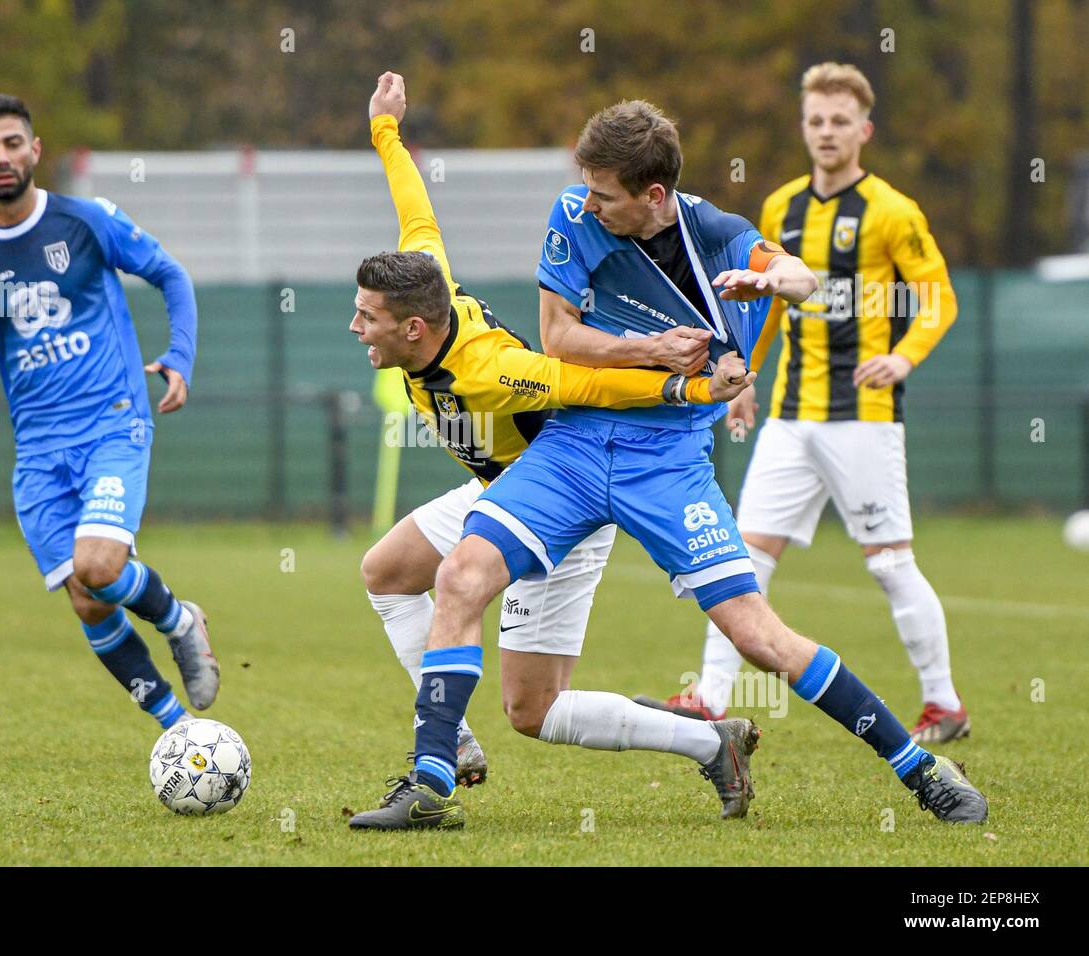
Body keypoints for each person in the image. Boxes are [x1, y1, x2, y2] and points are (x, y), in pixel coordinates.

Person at [351, 96, 988, 830]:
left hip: (671, 463)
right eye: (584, 189)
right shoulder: (575, 216)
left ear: (653, 195)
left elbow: (803, 279)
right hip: (576, 446)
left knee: (759, 637)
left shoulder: (718, 235)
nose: (585, 207)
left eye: (603, 195)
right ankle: (432, 782)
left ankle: (921, 769)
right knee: (461, 574)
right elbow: (560, 344)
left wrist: (775, 281)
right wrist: (664, 364)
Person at [350, 73, 761, 825]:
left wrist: (689, 389)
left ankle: (710, 744)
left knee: (534, 710)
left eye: (366, 317)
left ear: (412, 329)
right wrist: (385, 129)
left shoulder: (496, 371)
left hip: (558, 499)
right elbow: (416, 206)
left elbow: (586, 386)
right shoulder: (424, 280)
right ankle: (448, 746)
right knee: (385, 571)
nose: (356, 328)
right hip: (498, 491)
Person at [636, 63, 968, 745]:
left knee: (888, 564)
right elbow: (770, 309)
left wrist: (904, 356)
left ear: (864, 130)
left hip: (863, 416)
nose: (825, 132)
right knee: (740, 559)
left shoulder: (892, 212)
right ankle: (709, 698)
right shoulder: (783, 206)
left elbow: (938, 297)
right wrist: (748, 376)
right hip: (789, 417)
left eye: (839, 121)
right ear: (803, 126)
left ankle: (944, 705)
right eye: (815, 120)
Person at [0, 94, 218, 730]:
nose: (2, 156)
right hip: (39, 453)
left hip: (112, 423)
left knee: (99, 567)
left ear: (35, 149)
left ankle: (181, 620)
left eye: (13, 142)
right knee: (87, 600)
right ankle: (180, 733)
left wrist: (180, 354)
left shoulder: (87, 221)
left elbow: (170, 275)